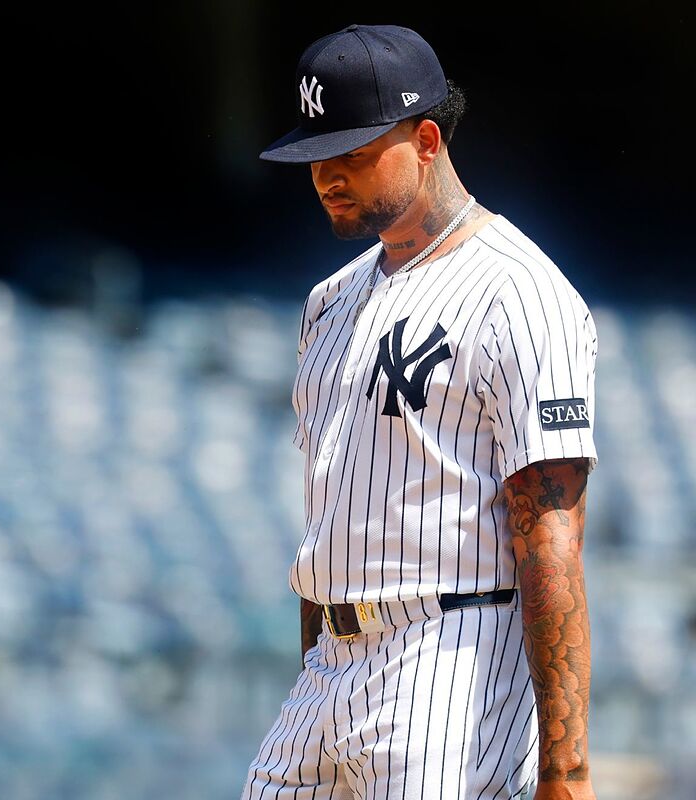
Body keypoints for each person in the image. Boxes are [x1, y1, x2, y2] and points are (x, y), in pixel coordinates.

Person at [241, 25, 597, 800]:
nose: (328, 176)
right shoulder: (328, 302)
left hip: (450, 655)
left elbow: (551, 534)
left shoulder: (519, 292)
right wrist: (316, 664)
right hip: (327, 671)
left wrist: (565, 770)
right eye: (314, 158)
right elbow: (329, 519)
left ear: (426, 138)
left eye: (352, 155)